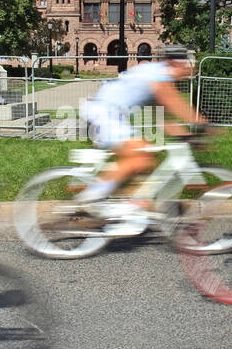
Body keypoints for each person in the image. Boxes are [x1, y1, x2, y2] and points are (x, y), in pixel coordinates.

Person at [78, 45, 207, 234]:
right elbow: (173, 103)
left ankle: (128, 206)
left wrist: (186, 136)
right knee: (138, 155)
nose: (191, 70)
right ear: (175, 62)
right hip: (104, 112)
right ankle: (91, 198)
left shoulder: (156, 77)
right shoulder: (159, 76)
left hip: (108, 112)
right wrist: (203, 124)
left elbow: (163, 119)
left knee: (147, 155)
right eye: (188, 65)